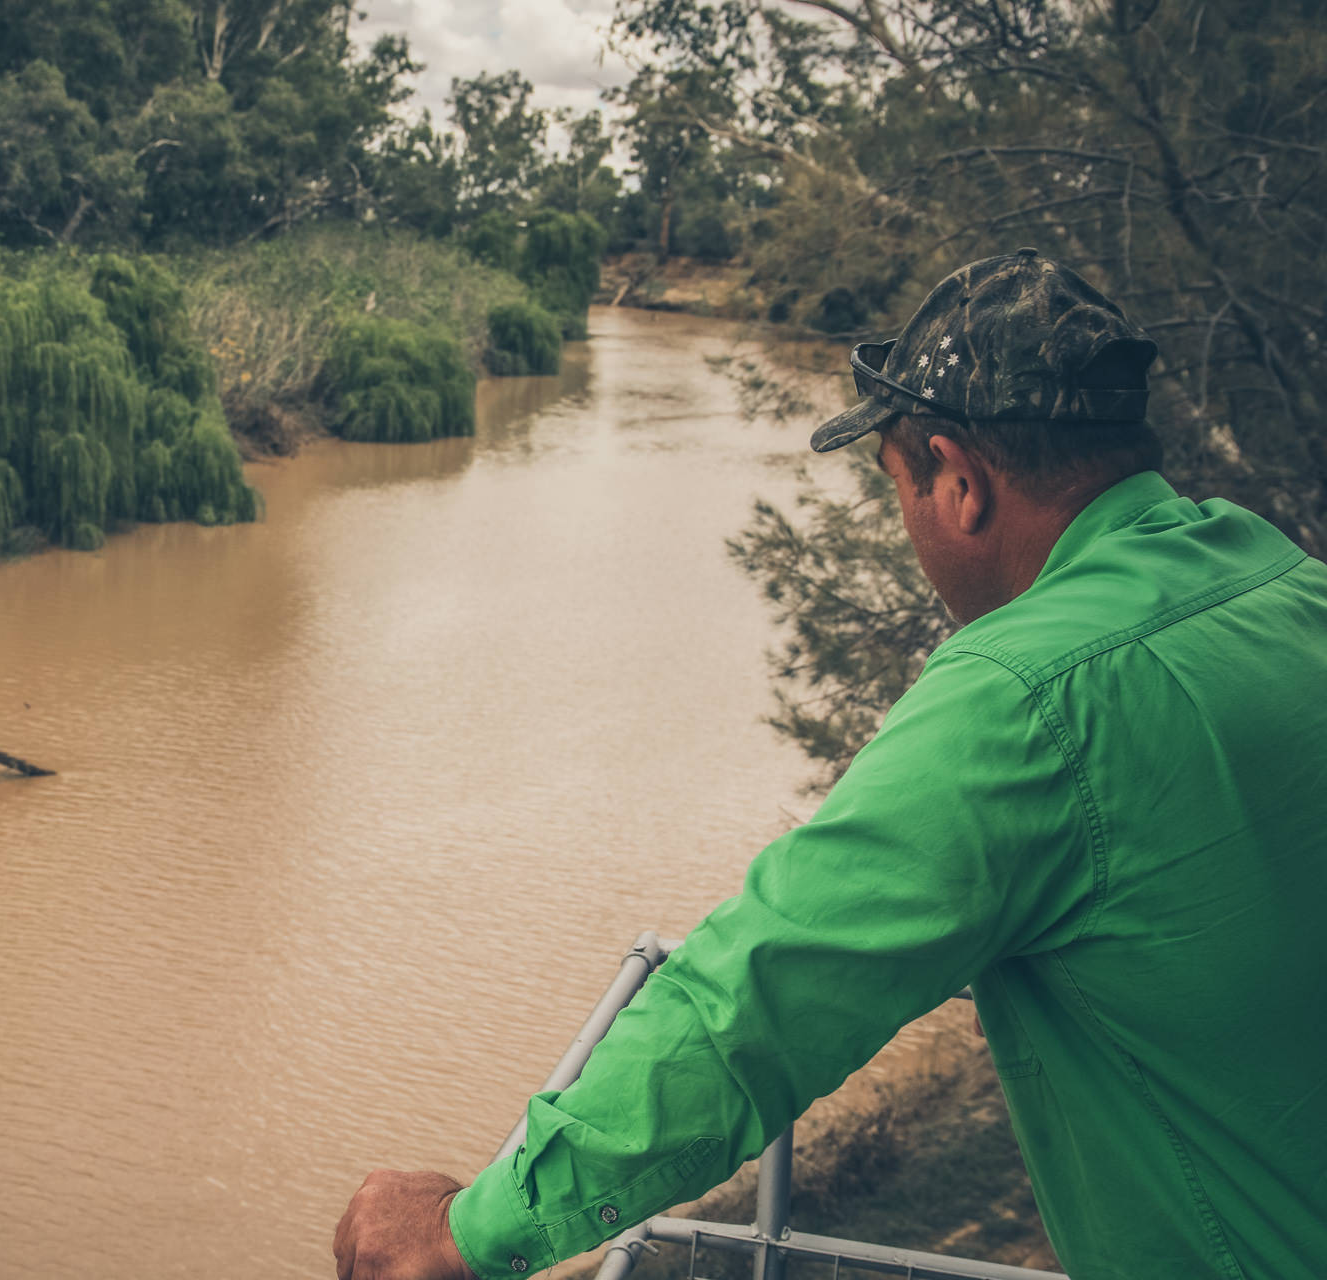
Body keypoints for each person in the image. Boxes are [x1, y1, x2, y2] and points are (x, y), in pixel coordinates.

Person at [332, 249, 1327, 1280]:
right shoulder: (1287, 582)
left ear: (960, 481)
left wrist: (470, 1229)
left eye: (898, 485)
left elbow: (758, 993)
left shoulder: (1027, 694)